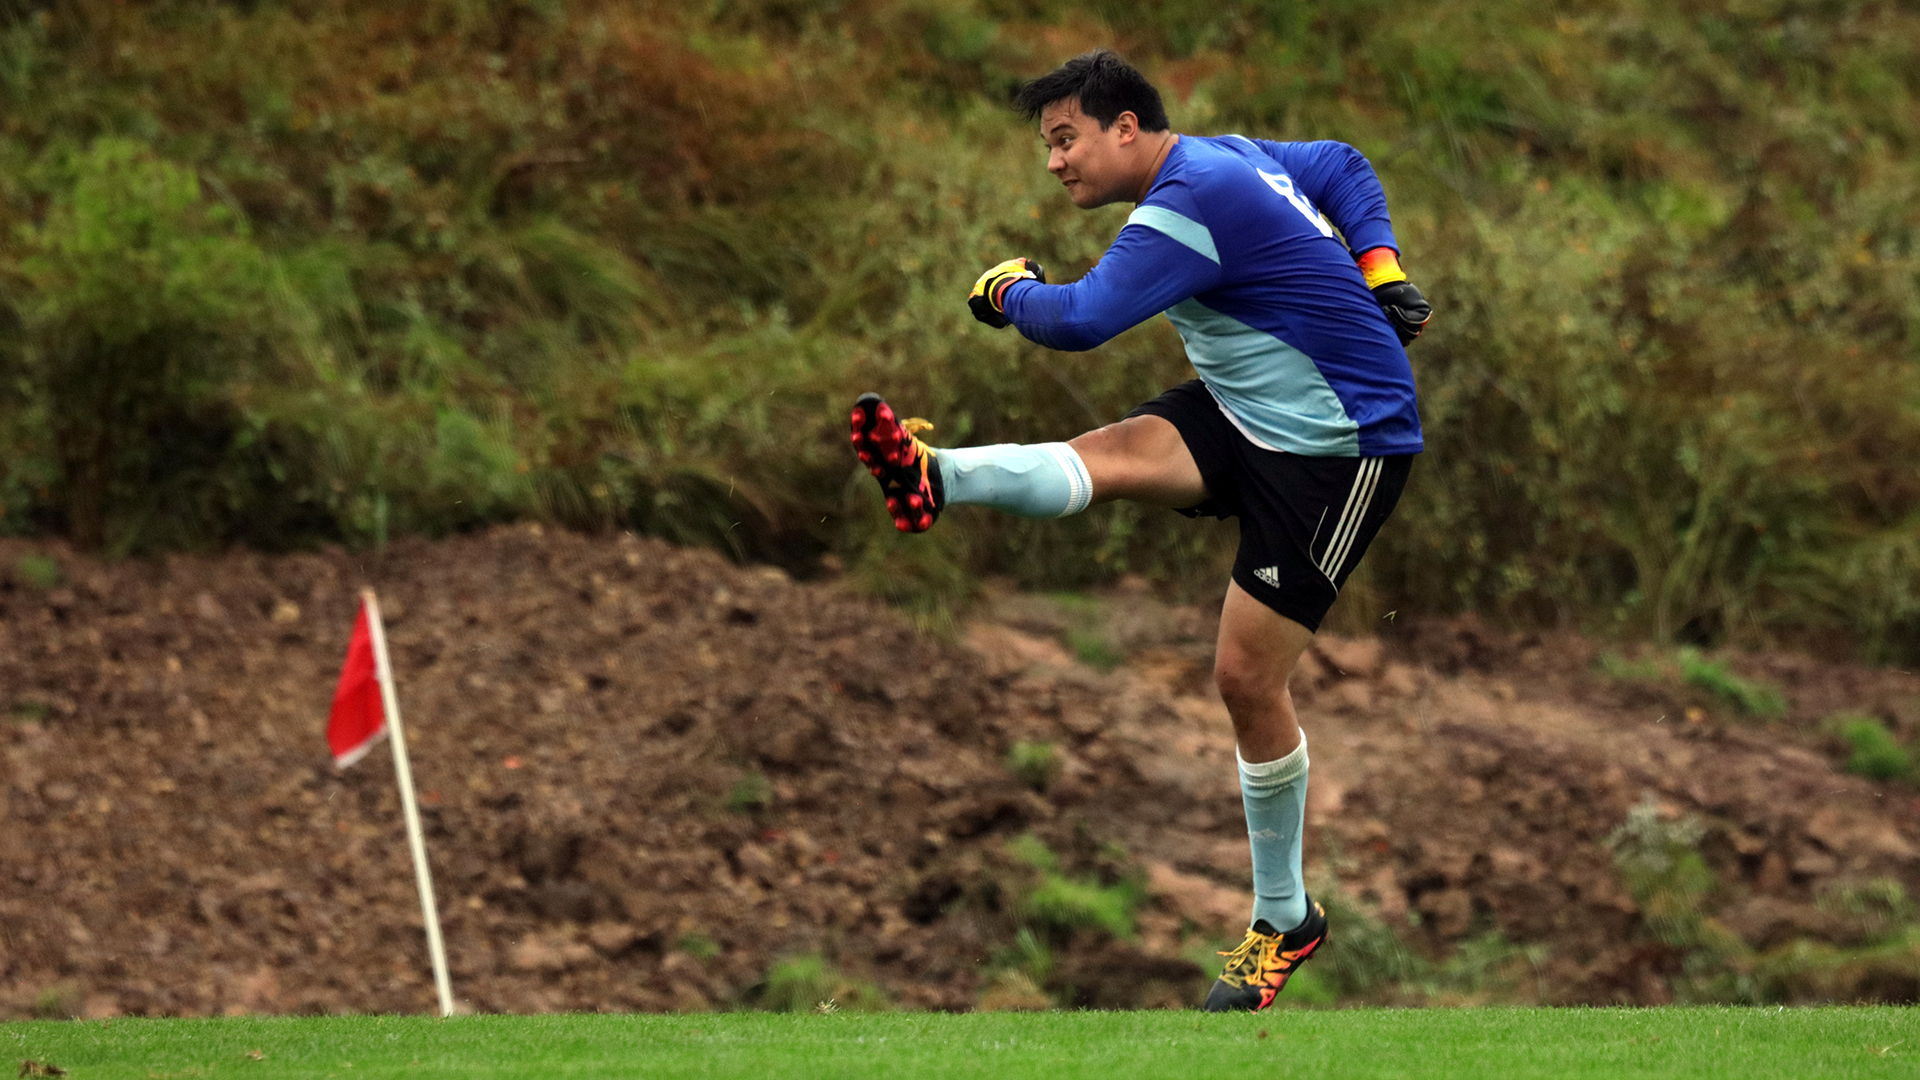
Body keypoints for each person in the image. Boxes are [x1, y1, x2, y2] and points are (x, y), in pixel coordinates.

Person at [848, 49, 1430, 1012]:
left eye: (1066, 138)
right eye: (1047, 144)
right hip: (1251, 409)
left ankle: (1285, 918)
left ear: (1128, 129)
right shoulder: (1226, 154)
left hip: (1345, 447)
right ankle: (932, 477)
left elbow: (1078, 319)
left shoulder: (1189, 200)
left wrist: (1008, 293)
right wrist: (1381, 263)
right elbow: (1337, 161)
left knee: (1245, 679)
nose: (1054, 163)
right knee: (1112, 453)